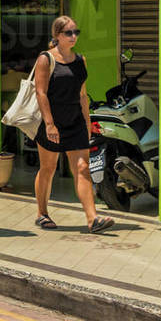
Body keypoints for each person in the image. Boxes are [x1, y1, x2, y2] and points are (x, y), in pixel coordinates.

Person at [32, 15, 115, 234]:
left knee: (82, 168)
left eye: (76, 32)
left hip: (75, 121)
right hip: (52, 122)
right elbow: (40, 92)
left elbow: (82, 95)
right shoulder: (45, 59)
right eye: (68, 33)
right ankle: (42, 213)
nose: (73, 36)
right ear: (57, 35)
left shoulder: (80, 60)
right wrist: (49, 124)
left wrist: (87, 122)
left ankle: (92, 218)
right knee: (48, 168)